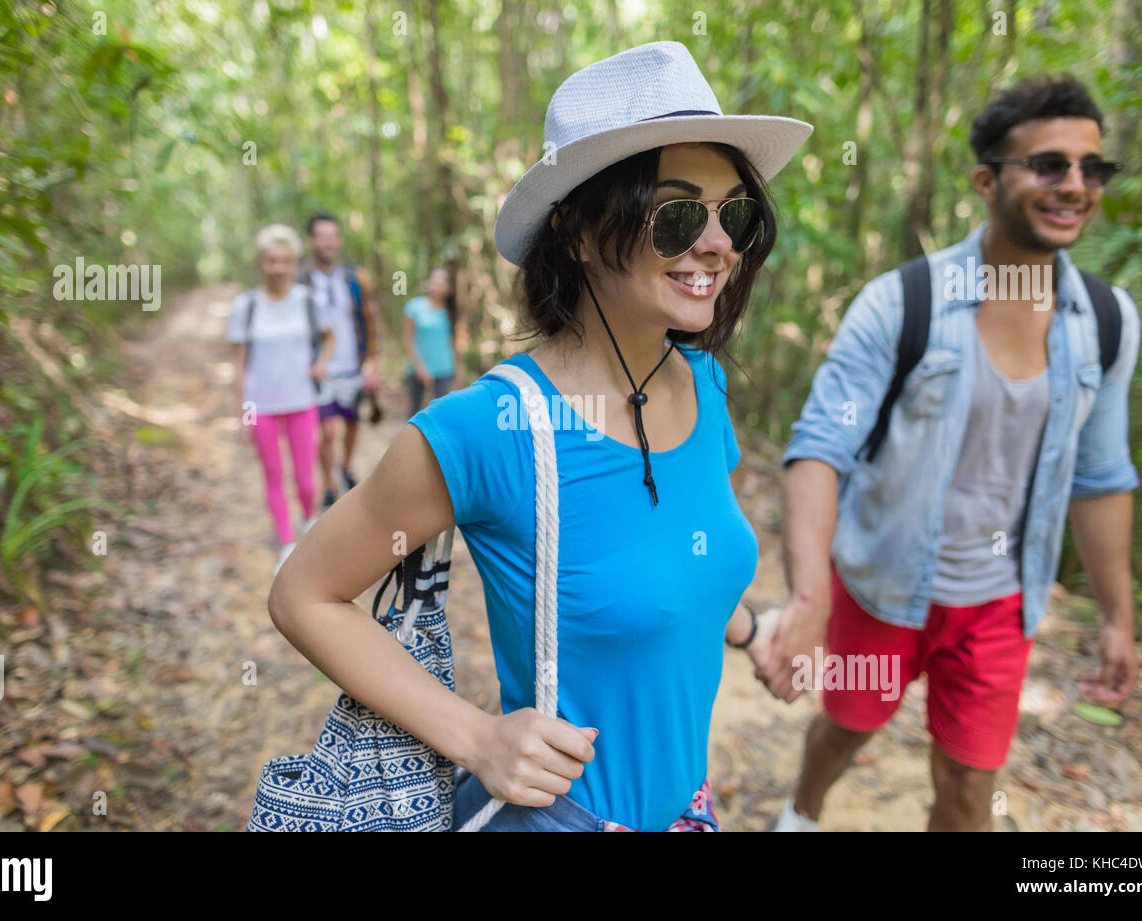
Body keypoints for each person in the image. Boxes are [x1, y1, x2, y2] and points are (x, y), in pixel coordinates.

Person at [267, 42, 811, 831]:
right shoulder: (490, 428)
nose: (718, 242)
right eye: (680, 213)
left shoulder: (706, 384)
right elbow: (302, 593)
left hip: (691, 811)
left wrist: (752, 631)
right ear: (581, 233)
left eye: (737, 214)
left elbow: (674, 554)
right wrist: (478, 736)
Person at [762, 76, 1140, 832]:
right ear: (986, 178)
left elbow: (1100, 478)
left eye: (1091, 168)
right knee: (846, 728)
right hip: (879, 584)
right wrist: (810, 598)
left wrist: (1117, 617)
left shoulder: (1104, 319)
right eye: (1049, 165)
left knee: (970, 792)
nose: (1074, 185)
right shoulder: (903, 303)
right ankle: (801, 813)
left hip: (1001, 604)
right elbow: (820, 449)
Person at [228, 224, 335, 574]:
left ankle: (308, 519)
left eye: (285, 261)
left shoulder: (307, 300)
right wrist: (242, 415)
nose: (279, 268)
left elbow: (330, 335)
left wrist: (321, 363)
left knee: (305, 479)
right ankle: (287, 544)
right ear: (261, 263)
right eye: (272, 261)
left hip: (302, 402)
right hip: (262, 408)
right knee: (274, 476)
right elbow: (240, 363)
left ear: (294, 263)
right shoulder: (246, 306)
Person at [304, 212, 382, 507]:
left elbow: (369, 321)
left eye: (333, 236)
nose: (328, 243)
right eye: (321, 236)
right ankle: (327, 485)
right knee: (325, 430)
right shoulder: (302, 281)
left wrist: (372, 363)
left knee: (352, 423)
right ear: (311, 240)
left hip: (352, 365)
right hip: (319, 370)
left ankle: (346, 467)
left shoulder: (354, 278)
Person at [403, 266, 459, 415]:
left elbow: (454, 342)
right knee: (415, 413)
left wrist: (459, 370)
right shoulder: (414, 306)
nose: (436, 286)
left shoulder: (450, 312)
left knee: (441, 413)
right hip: (418, 369)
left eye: (441, 283)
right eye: (434, 281)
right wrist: (420, 368)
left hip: (444, 369)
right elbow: (407, 338)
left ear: (448, 288)